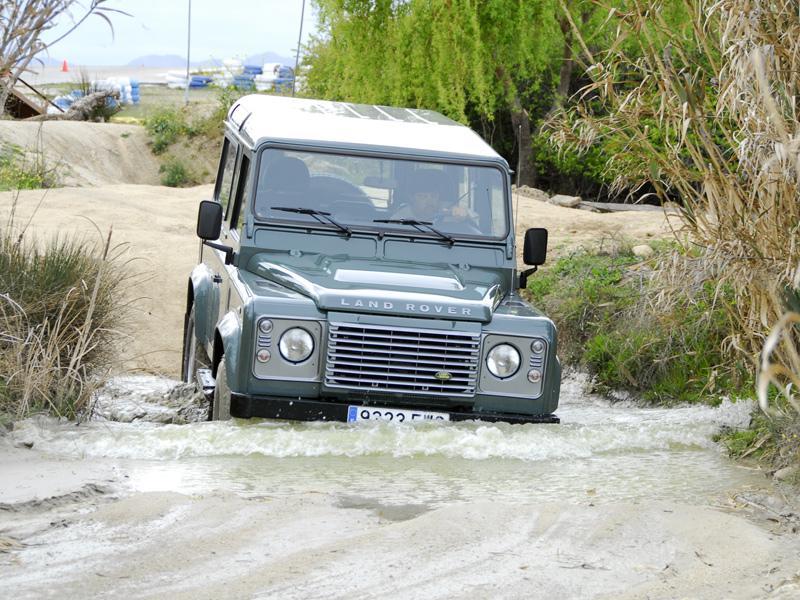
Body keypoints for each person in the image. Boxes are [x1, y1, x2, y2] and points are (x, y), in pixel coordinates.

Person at [391, 169, 477, 226]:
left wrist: (465, 216)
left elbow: (476, 224)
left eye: (434, 196)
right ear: (411, 198)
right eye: (423, 197)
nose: (429, 201)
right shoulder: (399, 218)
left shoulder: (450, 210)